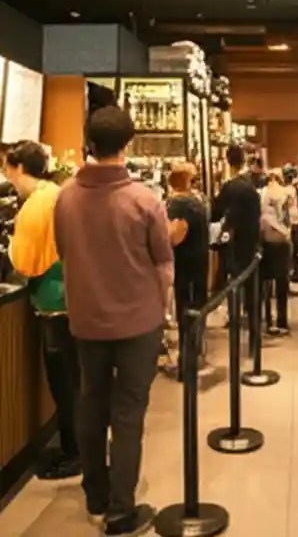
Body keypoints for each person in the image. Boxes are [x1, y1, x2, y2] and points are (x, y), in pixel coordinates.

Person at [55, 106, 173, 534]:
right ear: (128, 145)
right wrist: (162, 312)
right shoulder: (145, 200)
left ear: (89, 142)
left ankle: (96, 498)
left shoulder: (65, 196)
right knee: (128, 412)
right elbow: (163, 264)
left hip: (86, 321)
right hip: (139, 322)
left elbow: (65, 252)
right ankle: (122, 510)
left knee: (91, 403)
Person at [6, 141, 80, 480]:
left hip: (54, 304)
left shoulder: (36, 205)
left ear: (19, 168)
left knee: (65, 384)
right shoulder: (54, 193)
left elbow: (24, 261)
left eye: (7, 169)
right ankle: (76, 447)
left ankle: (74, 453)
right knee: (72, 383)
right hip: (70, 300)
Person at [165, 162, 209, 374]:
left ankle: (186, 366)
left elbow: (176, 235)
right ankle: (194, 357)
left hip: (185, 266)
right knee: (196, 312)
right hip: (199, 264)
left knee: (185, 314)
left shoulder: (178, 204)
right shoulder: (198, 201)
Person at [212, 145, 261, 284]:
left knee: (233, 281)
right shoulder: (252, 185)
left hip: (234, 242)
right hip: (252, 239)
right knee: (249, 281)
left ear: (227, 161)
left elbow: (215, 213)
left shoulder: (229, 186)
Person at [260, 169, 298, 336]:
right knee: (282, 283)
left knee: (266, 285)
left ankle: (268, 320)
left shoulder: (261, 193)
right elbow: (295, 217)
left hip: (267, 240)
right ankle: (282, 321)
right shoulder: (289, 193)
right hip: (283, 241)